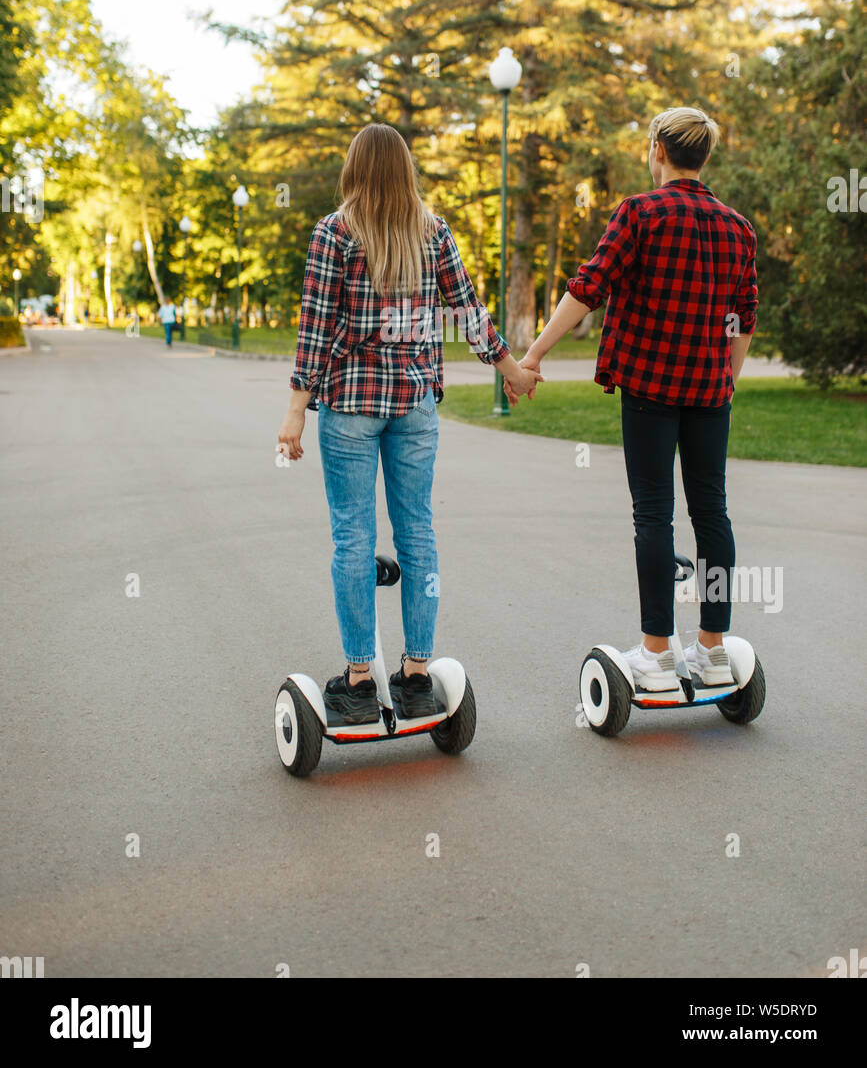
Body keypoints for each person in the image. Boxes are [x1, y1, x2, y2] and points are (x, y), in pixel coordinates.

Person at [276, 123, 542, 724]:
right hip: (415, 406)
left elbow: (315, 331)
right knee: (417, 534)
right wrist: (511, 370)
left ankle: (359, 682)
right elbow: (467, 312)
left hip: (349, 407)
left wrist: (294, 414)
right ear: (405, 171)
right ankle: (418, 676)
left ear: (354, 169)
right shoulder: (433, 231)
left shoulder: (336, 232)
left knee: (353, 538)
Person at [509, 107, 758, 691]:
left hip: (650, 388)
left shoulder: (639, 214)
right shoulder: (738, 227)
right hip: (709, 392)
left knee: (654, 513)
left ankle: (656, 654)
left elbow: (587, 289)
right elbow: (742, 320)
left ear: (657, 151)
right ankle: (713, 649)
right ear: (704, 157)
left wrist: (534, 355)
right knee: (712, 513)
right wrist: (727, 381)